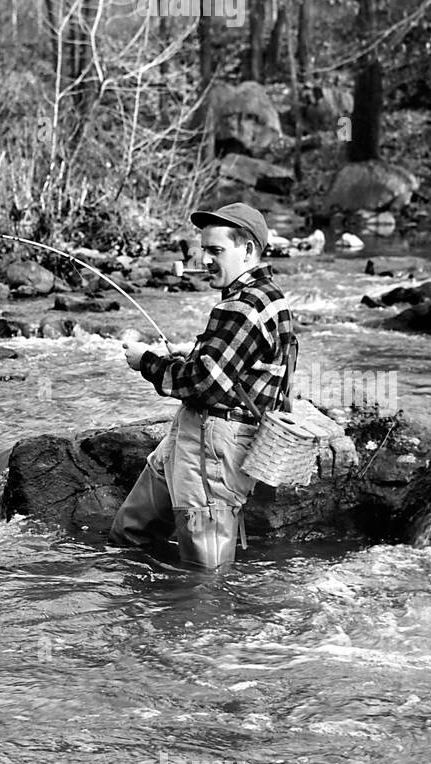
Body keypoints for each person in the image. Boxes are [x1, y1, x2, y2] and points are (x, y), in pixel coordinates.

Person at [112, 202, 297, 569]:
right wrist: (193, 353)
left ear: (247, 250)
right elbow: (249, 365)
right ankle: (149, 611)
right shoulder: (270, 296)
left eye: (216, 250)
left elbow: (204, 384)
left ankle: (206, 626)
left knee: (204, 571)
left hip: (213, 446)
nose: (206, 259)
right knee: (131, 534)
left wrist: (145, 362)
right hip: (193, 435)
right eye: (204, 250)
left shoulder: (241, 306)